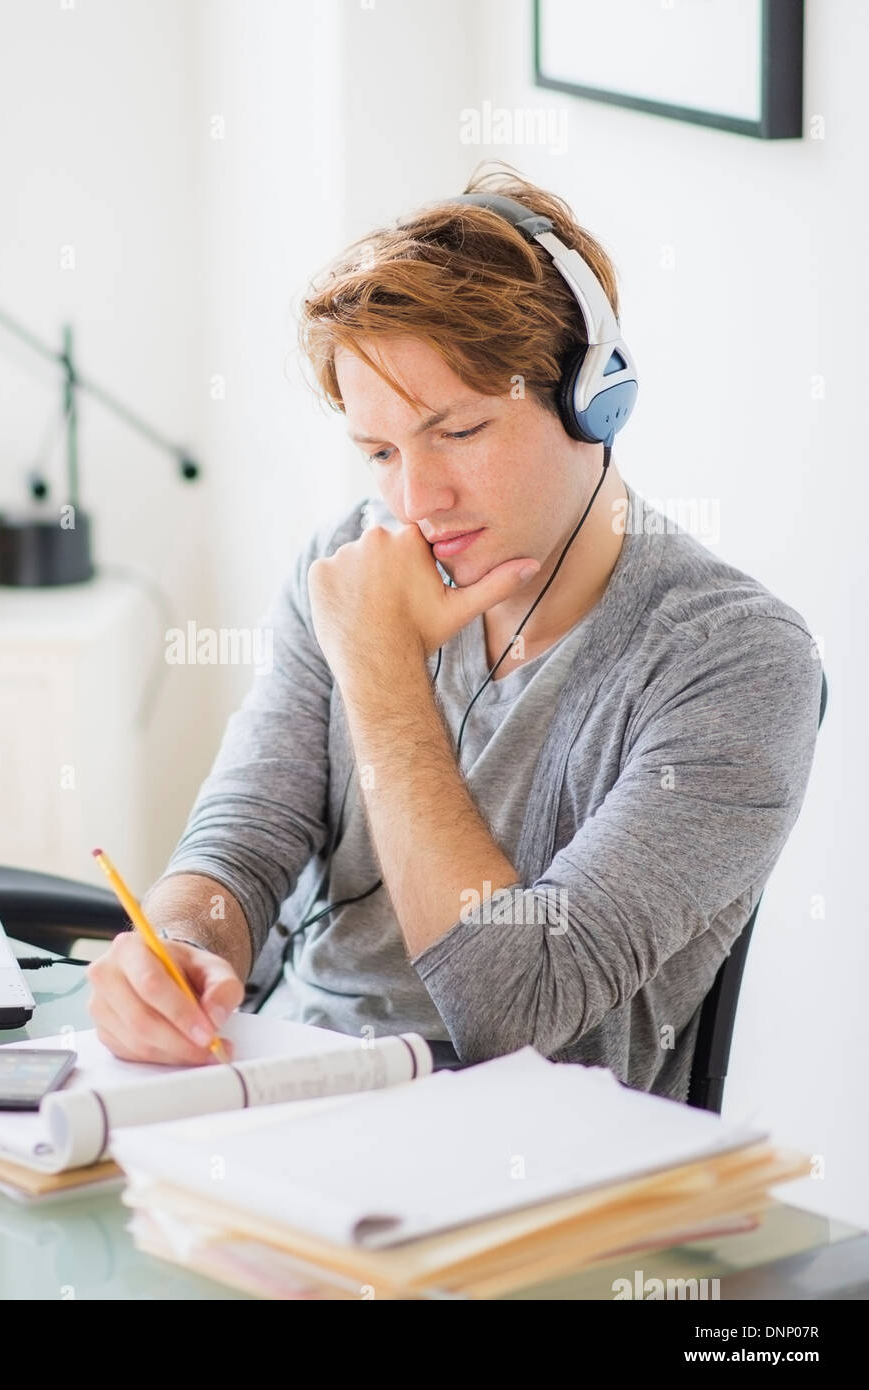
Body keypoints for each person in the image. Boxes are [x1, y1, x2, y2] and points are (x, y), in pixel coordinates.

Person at [86, 167, 823, 1100]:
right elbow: (243, 840)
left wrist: (381, 669)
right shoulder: (352, 562)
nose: (414, 502)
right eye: (382, 453)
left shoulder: (736, 663)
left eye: (461, 432)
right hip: (270, 1097)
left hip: (524, 1176)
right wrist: (179, 949)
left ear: (594, 399)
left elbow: (511, 1007)